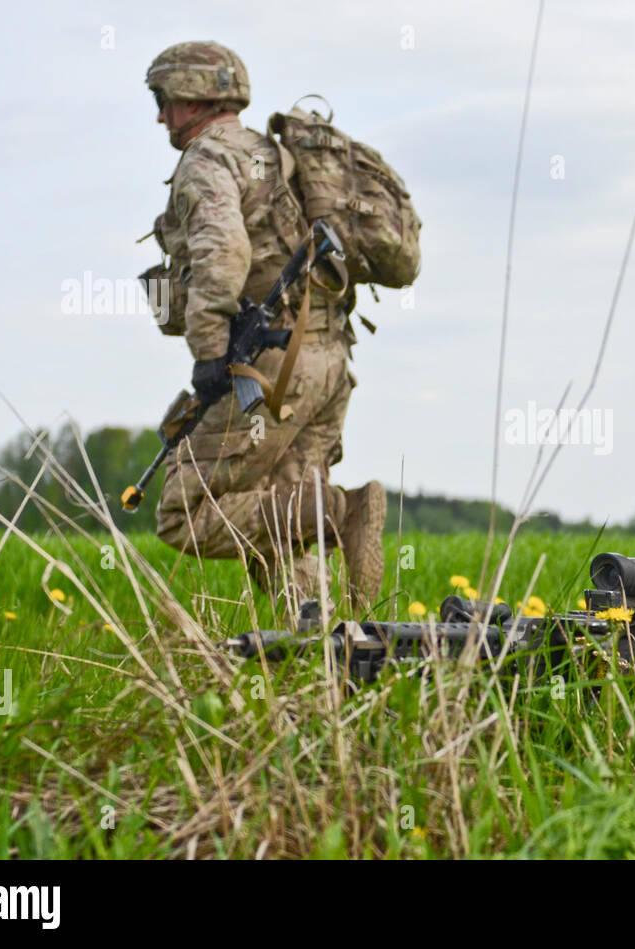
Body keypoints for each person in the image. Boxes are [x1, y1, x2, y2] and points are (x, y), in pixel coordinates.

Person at [142, 41, 385, 613]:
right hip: (327, 361)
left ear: (191, 96)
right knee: (282, 511)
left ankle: (344, 512)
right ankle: (318, 650)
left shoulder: (208, 159)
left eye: (162, 99)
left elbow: (222, 253)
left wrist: (207, 353)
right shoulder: (274, 155)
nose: (158, 116)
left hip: (271, 368)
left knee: (185, 514)